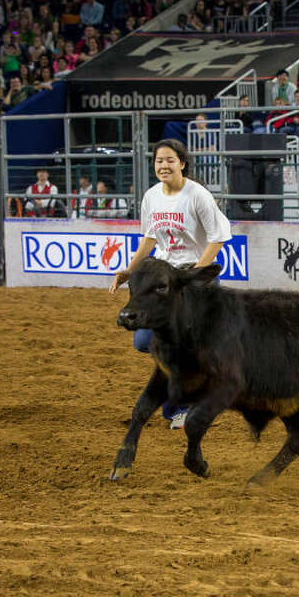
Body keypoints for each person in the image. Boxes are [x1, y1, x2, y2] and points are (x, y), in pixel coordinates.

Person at [109, 139, 233, 429]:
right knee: (143, 341)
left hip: (191, 278)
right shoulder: (151, 197)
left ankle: (185, 407)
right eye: (159, 161)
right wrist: (129, 271)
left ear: (182, 163)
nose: (164, 165)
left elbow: (218, 237)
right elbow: (150, 238)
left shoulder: (197, 195)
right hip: (163, 281)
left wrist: (194, 276)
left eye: (170, 160)